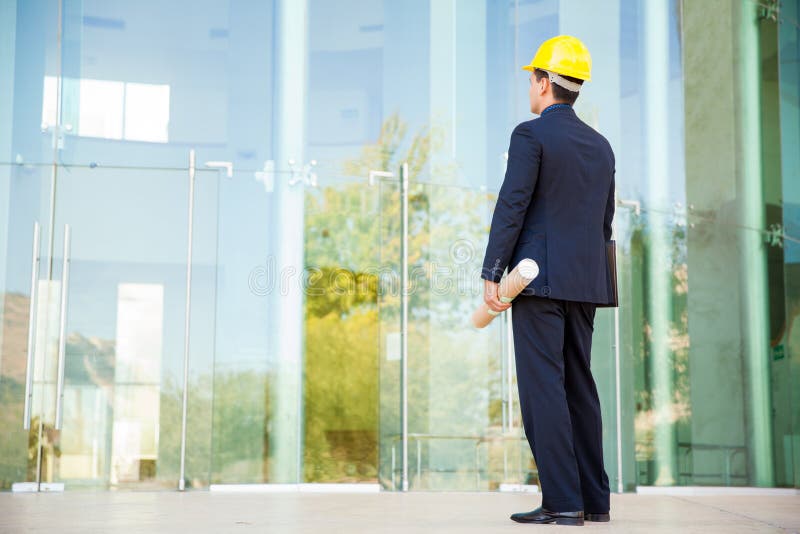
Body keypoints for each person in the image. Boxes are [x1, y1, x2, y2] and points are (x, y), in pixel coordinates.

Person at [481, 35, 616, 526]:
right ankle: (594, 501)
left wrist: (492, 273)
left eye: (531, 78)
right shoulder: (601, 146)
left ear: (543, 82)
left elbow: (512, 205)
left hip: (536, 283)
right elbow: (605, 223)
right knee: (580, 386)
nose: (530, 87)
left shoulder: (530, 134)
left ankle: (562, 502)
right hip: (587, 283)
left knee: (544, 390)